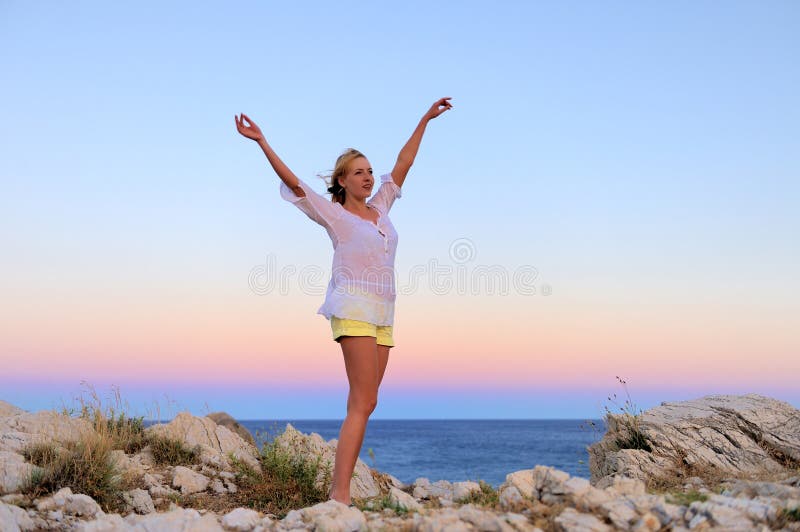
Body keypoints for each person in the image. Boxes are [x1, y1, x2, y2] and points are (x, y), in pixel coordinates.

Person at [235, 97, 453, 506]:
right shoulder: (334, 215)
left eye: (370, 171)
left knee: (367, 403)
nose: (369, 177)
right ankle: (340, 495)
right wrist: (262, 141)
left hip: (384, 312)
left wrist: (425, 119)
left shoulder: (382, 207)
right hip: (352, 308)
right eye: (359, 173)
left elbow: (404, 162)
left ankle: (341, 491)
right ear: (342, 181)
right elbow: (296, 183)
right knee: (363, 400)